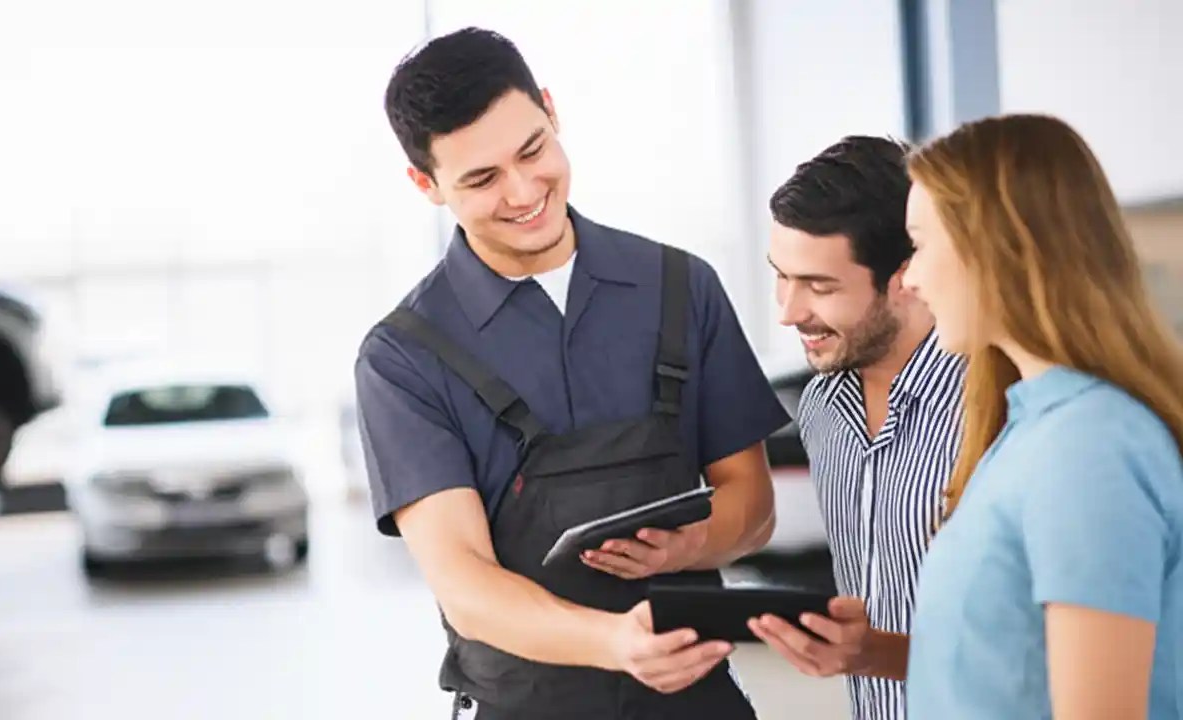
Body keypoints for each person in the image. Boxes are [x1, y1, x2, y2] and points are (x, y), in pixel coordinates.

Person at [355, 27, 789, 719]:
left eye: (532, 150)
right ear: (426, 184)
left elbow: (754, 505)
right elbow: (463, 581)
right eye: (481, 178)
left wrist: (690, 545)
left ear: (551, 111)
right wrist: (615, 642)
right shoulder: (404, 356)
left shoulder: (680, 287)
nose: (525, 191)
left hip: (697, 702)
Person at [901, 113, 1183, 718]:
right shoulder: (1032, 428)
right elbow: (1012, 664)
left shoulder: (1090, 445)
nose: (910, 279)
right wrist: (869, 651)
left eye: (919, 245)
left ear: (997, 242)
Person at [748, 136, 965, 720]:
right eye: (781, 277)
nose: (789, 312)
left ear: (906, 276)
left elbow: (1054, 647)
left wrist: (876, 653)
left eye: (819, 287)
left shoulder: (997, 408)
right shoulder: (821, 406)